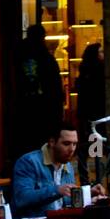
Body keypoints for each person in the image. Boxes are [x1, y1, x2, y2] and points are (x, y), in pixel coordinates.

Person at [10, 122, 83, 219]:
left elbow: (67, 202)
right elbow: (22, 198)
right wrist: (56, 191)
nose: (72, 149)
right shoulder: (29, 162)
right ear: (52, 142)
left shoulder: (68, 166)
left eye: (74, 144)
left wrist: (88, 195)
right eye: (66, 144)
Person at [15, 23, 65, 155]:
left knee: (28, 140)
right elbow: (54, 82)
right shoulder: (45, 57)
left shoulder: (18, 54)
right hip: (43, 105)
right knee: (41, 140)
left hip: (24, 104)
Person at [75, 43, 105, 182]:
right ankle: (94, 178)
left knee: (93, 147)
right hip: (93, 114)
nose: (102, 54)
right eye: (100, 52)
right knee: (93, 147)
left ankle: (90, 178)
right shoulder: (96, 72)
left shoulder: (85, 72)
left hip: (90, 114)